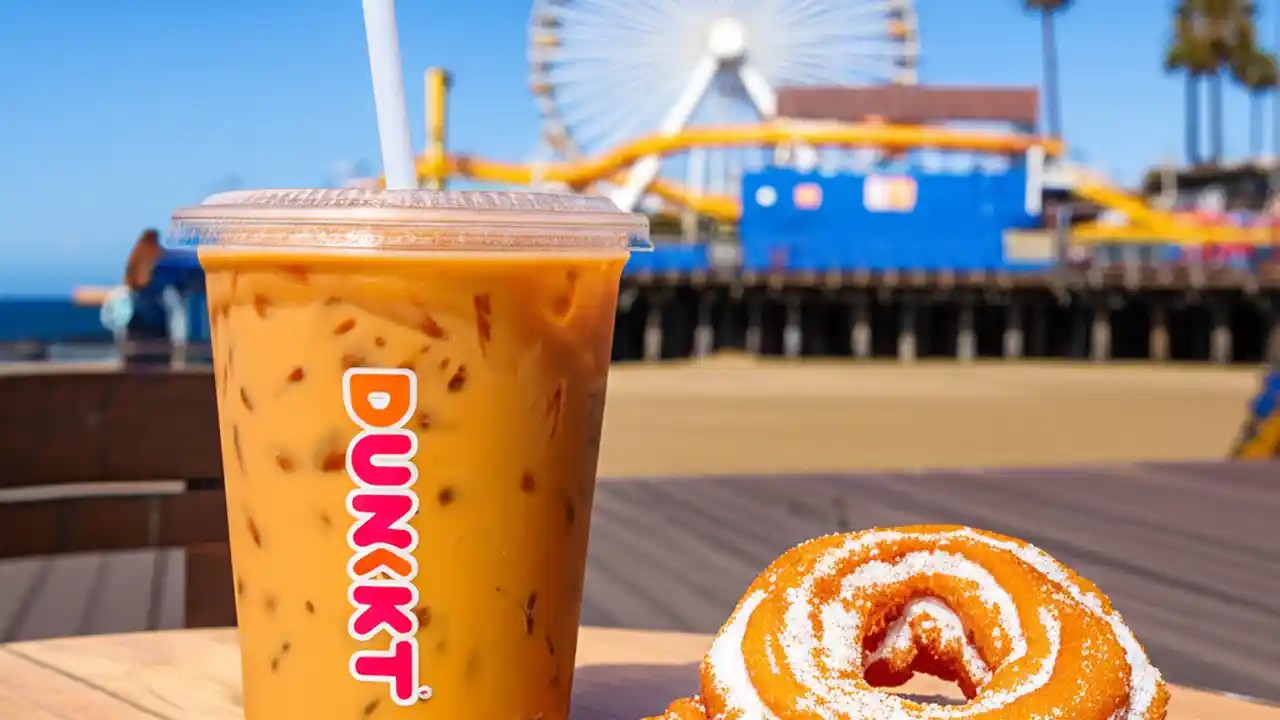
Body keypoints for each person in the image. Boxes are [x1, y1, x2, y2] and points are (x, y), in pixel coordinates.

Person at [120, 229, 192, 369]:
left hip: (136, 333)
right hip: (157, 333)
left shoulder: (134, 268)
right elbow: (175, 310)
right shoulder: (160, 274)